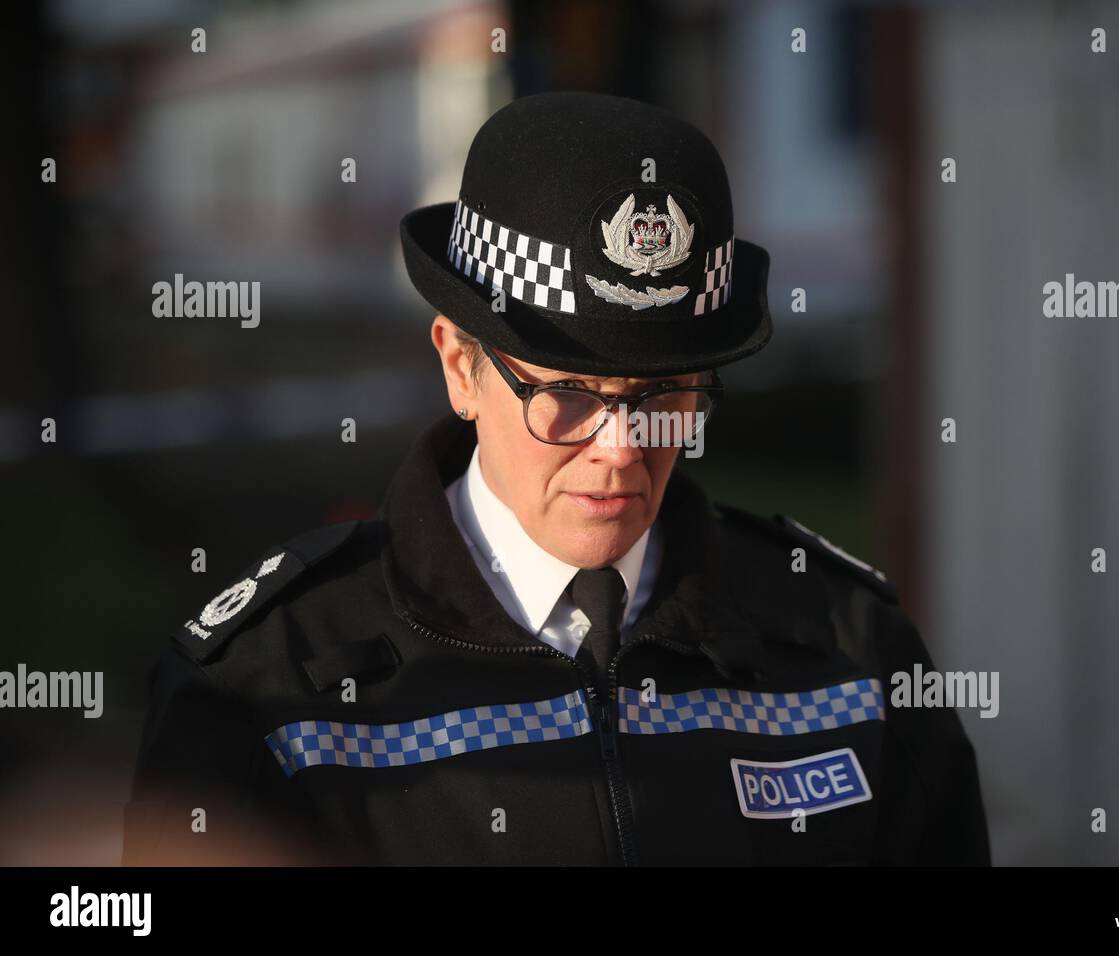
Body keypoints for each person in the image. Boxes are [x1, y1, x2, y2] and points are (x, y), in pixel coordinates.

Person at [122, 91, 990, 866]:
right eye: (567, 394)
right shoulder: (267, 693)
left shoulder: (849, 657)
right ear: (460, 366)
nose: (619, 446)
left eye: (664, 394)